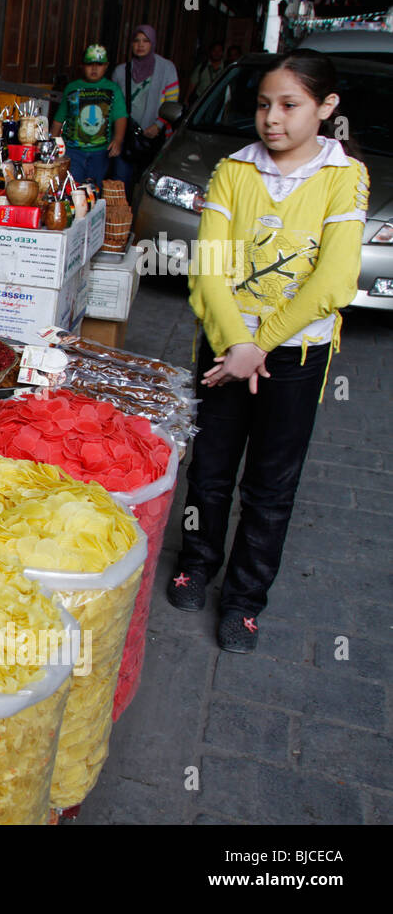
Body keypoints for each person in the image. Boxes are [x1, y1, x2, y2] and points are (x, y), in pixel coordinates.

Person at [169, 49, 367, 653]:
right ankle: (196, 563)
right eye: (262, 105)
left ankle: (246, 600)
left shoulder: (344, 176)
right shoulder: (233, 171)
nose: (272, 119)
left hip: (295, 358)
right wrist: (236, 343)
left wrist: (259, 346)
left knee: (272, 484)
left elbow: (332, 281)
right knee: (210, 468)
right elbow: (209, 273)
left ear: (326, 107)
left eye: (289, 105)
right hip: (224, 347)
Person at [109, 25, 180, 197]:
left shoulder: (166, 68)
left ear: (153, 43)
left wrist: (158, 125)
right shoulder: (120, 71)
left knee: (148, 187)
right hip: (126, 138)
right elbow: (112, 105)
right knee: (120, 185)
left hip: (154, 138)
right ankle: (121, 222)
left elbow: (172, 100)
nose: (140, 45)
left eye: (146, 41)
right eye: (136, 41)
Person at [51, 44, 127, 189]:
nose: (94, 68)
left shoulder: (113, 89)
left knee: (94, 188)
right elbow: (59, 118)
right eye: (89, 64)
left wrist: (118, 139)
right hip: (73, 151)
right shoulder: (72, 88)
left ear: (106, 66)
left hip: (100, 151)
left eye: (99, 64)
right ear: (82, 66)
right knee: (72, 187)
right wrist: (53, 144)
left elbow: (120, 116)